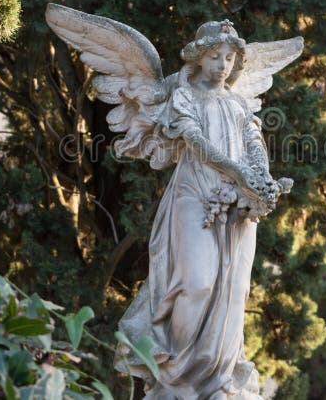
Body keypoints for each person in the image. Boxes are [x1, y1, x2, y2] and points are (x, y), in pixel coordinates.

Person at [116, 20, 276, 400]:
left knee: (234, 291)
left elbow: (254, 141)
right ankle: (174, 379)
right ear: (199, 58)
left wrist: (263, 177)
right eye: (215, 56)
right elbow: (195, 140)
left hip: (238, 205)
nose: (223, 64)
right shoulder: (184, 96)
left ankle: (217, 381)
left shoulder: (237, 103)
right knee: (197, 282)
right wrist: (237, 171)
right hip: (195, 193)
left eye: (229, 58)